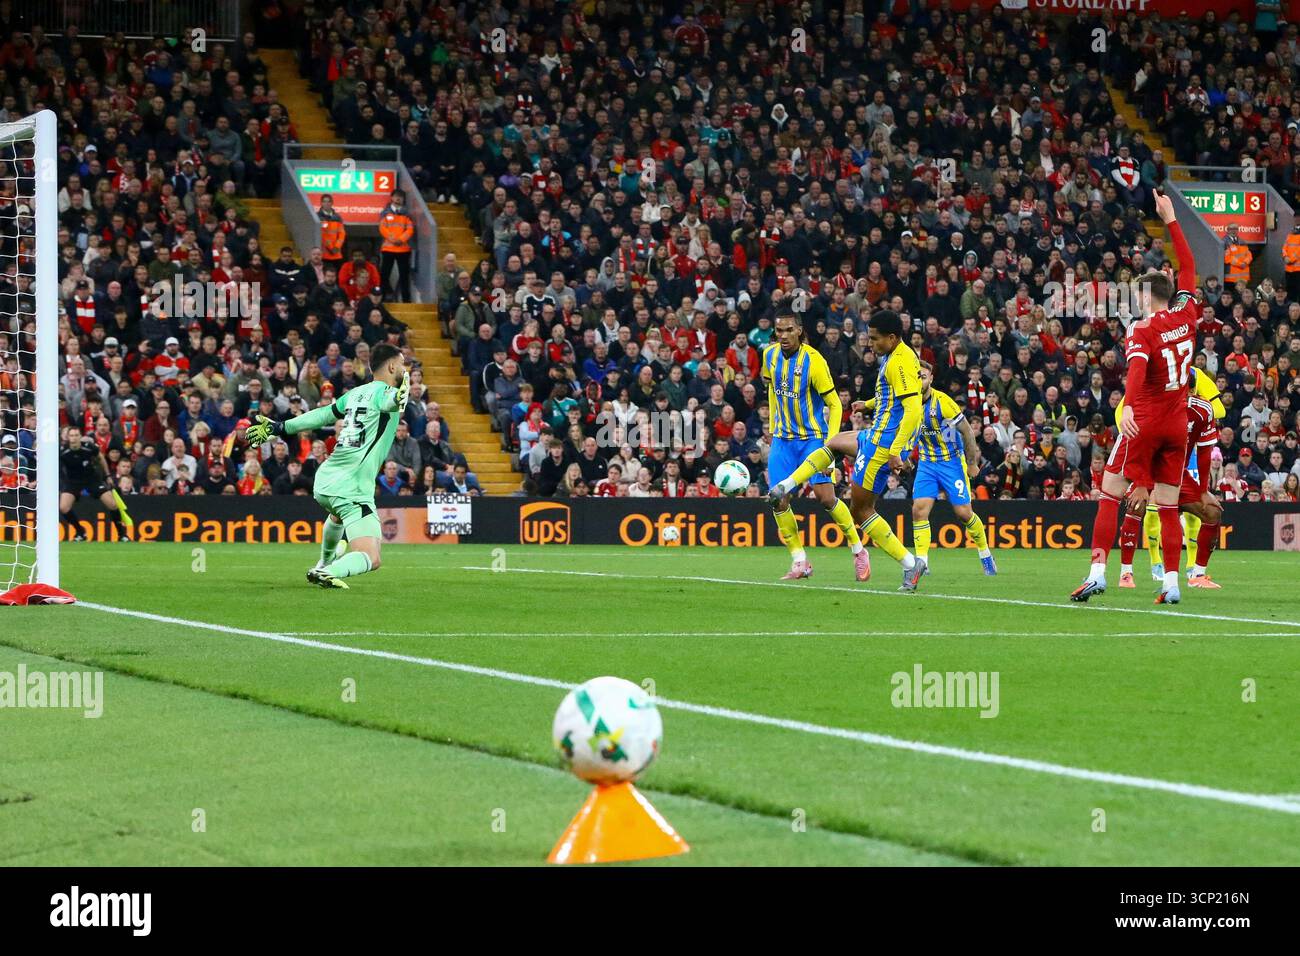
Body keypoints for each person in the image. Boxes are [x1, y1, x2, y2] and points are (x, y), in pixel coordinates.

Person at [1073, 191, 1199, 605]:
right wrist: (1172, 219)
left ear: (1147, 297)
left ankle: (1097, 573)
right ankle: (1172, 584)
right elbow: (1191, 267)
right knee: (1166, 506)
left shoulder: (1142, 330)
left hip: (1144, 422)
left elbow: (1137, 373)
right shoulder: (1186, 316)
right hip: (1178, 425)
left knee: (1110, 493)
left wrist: (1126, 408)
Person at [768, 310, 924, 591]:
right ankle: (787, 485)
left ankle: (911, 564)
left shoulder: (897, 363)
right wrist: (869, 404)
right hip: (875, 433)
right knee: (834, 442)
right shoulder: (898, 355)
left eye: (875, 339)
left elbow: (913, 409)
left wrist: (897, 450)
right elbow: (895, 399)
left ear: (891, 338)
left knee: (861, 511)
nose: (870, 344)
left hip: (883, 445)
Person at [245, 343, 410, 588]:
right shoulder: (385, 393)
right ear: (393, 366)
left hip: (326, 480)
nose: (405, 369)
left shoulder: (356, 393)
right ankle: (329, 571)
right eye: (403, 364)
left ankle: (323, 562)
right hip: (352, 485)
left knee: (338, 515)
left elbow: (323, 414)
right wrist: (398, 397)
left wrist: (282, 427)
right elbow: (389, 402)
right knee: (372, 557)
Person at [757, 311, 866, 581]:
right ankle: (800, 561)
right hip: (782, 439)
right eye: (778, 331)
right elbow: (768, 384)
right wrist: (773, 424)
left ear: (799, 331)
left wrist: (829, 448)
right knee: (777, 499)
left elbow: (835, 403)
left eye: (788, 330)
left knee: (826, 497)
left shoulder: (814, 362)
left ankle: (858, 549)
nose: (782, 335)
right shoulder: (769, 355)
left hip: (811, 439)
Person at [1116, 367, 1226, 589]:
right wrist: (1140, 482)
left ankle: (1198, 575)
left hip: (1178, 474)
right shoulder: (1151, 406)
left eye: (1188, 388)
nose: (1184, 392)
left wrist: (1203, 490)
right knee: (1137, 506)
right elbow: (1138, 446)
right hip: (1148, 470)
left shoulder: (1203, 410)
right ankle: (1126, 573)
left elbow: (1204, 452)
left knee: (1212, 512)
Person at [908, 363, 996, 576]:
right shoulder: (908, 403)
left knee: (964, 513)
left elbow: (966, 431)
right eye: (916, 376)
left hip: (952, 463)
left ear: (931, 378)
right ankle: (922, 563)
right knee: (919, 509)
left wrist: (972, 462)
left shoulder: (943, 402)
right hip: (927, 464)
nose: (920, 380)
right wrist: (905, 455)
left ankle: (985, 555)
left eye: (923, 376)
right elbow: (906, 431)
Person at [59, 425, 133, 540]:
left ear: (80, 436)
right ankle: (80, 532)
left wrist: (107, 475)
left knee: (112, 504)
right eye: (71, 435)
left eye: (76, 435)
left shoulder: (88, 447)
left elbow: (101, 458)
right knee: (63, 507)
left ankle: (121, 534)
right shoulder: (62, 451)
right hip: (73, 481)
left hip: (91, 479)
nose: (74, 438)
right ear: (68, 437)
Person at [377, 189, 414, 301]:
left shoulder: (406, 214)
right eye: (396, 196)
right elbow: (382, 228)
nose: (398, 199)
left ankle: (406, 301)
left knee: (404, 276)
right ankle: (381, 299)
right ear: (391, 198)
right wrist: (393, 240)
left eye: (401, 197)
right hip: (388, 248)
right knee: (384, 275)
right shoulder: (385, 213)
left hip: (403, 249)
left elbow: (410, 229)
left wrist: (401, 240)